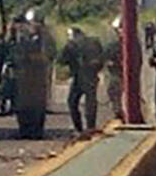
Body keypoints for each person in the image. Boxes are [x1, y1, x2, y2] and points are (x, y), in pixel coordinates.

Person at [11, 8, 55, 139]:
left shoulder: (46, 38)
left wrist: (31, 57)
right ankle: (24, 130)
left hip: (38, 76)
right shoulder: (22, 37)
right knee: (23, 105)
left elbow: (49, 55)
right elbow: (14, 52)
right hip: (23, 76)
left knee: (37, 106)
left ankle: (36, 131)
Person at [59, 26, 104, 133]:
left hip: (83, 76)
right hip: (85, 76)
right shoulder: (91, 43)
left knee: (79, 102)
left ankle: (83, 127)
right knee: (82, 102)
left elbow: (62, 60)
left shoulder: (79, 45)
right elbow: (62, 60)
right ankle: (86, 127)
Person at [103, 17, 124, 121]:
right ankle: (117, 112)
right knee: (113, 91)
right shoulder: (112, 46)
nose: (121, 31)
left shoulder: (134, 44)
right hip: (115, 74)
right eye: (119, 28)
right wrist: (109, 63)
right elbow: (104, 58)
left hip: (127, 76)